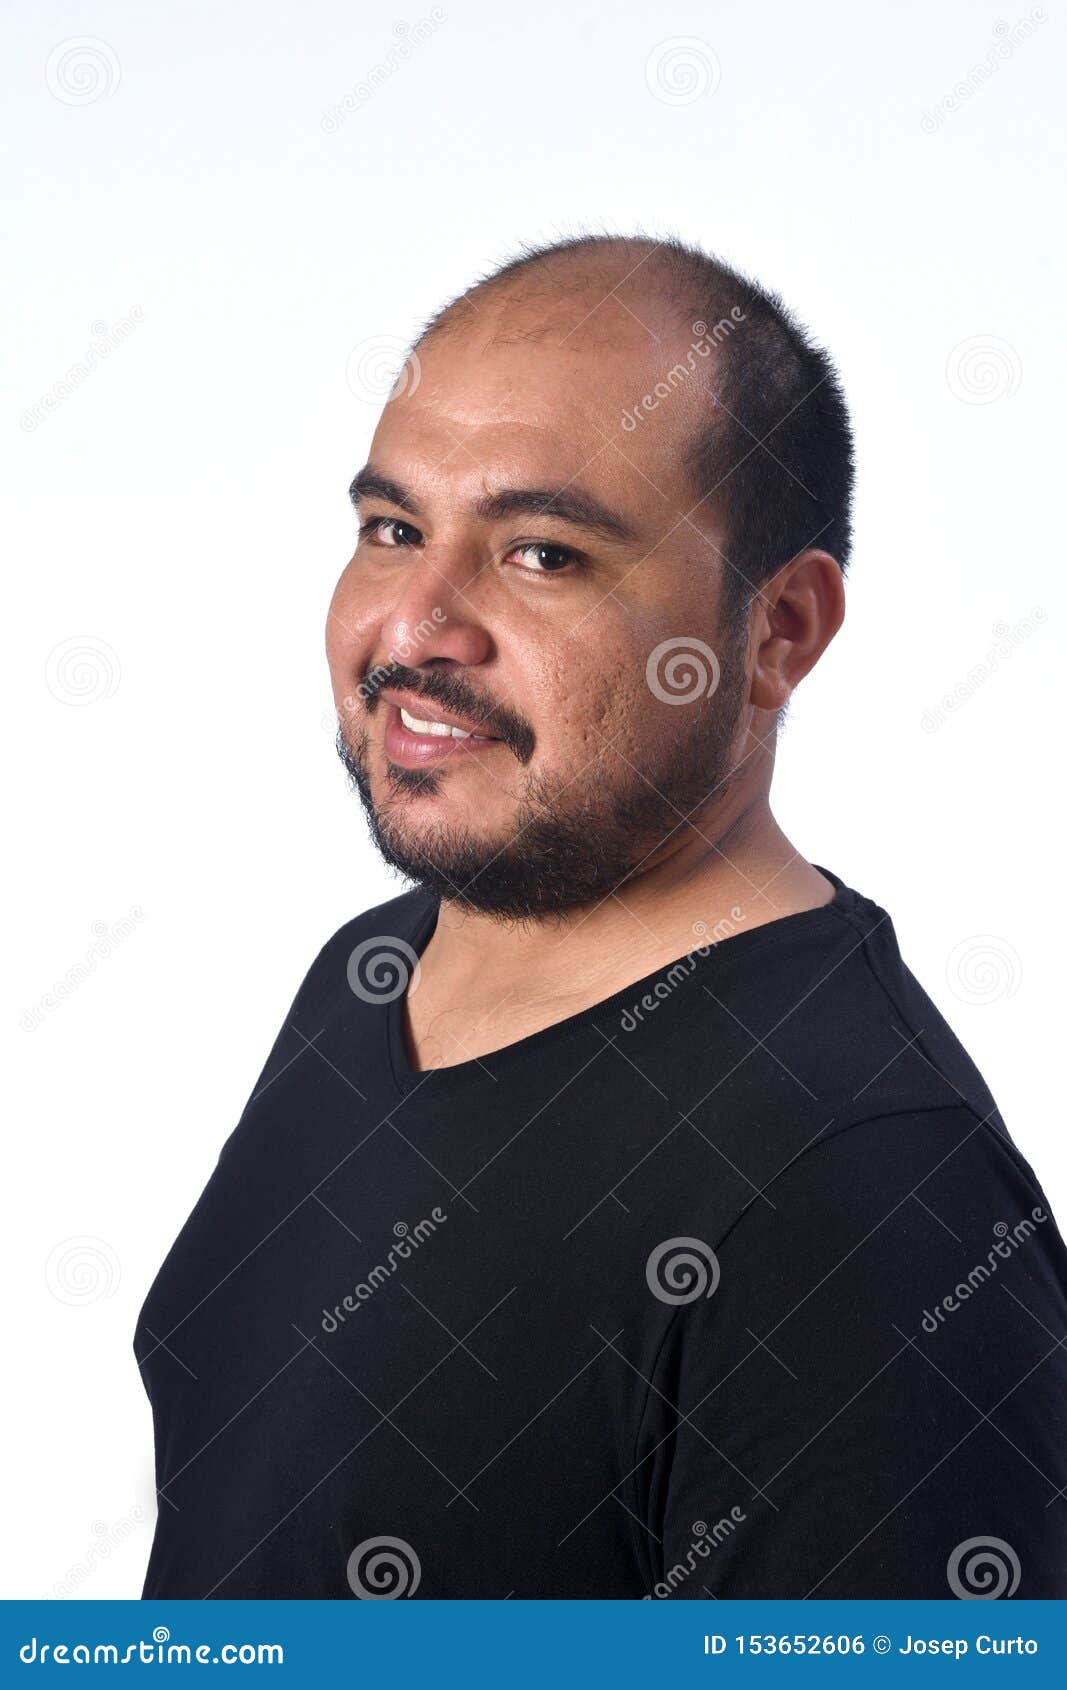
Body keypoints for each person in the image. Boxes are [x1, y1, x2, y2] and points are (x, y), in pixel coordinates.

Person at [135, 234, 1067, 1599]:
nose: (414, 628)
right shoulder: (372, 976)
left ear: (780, 630)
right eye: (392, 530)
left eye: (542, 553)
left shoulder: (859, 1186)